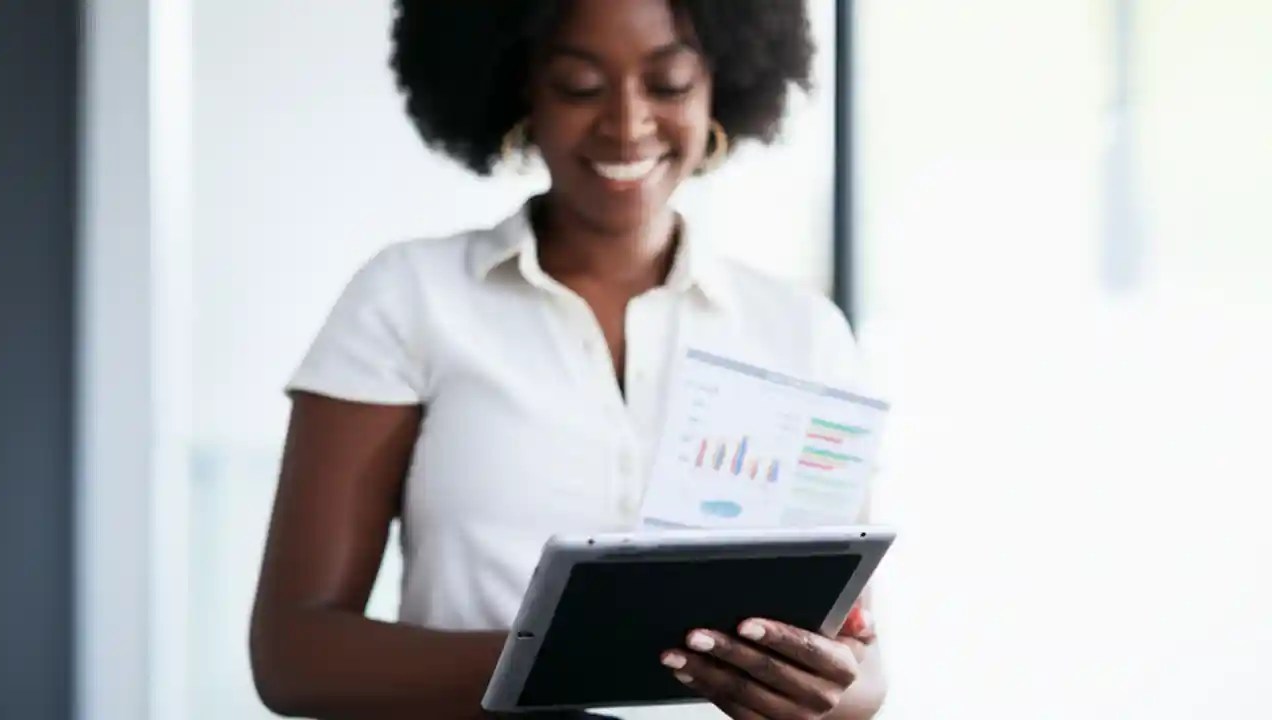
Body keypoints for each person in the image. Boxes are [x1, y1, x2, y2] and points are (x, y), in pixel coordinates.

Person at [249, 1, 886, 718]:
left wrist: (824, 687)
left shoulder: (800, 331)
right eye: (580, 87)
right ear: (523, 90)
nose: (626, 122)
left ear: (721, 87)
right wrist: (588, 651)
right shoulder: (409, 298)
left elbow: (859, 672)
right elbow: (294, 654)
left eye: (669, 84)